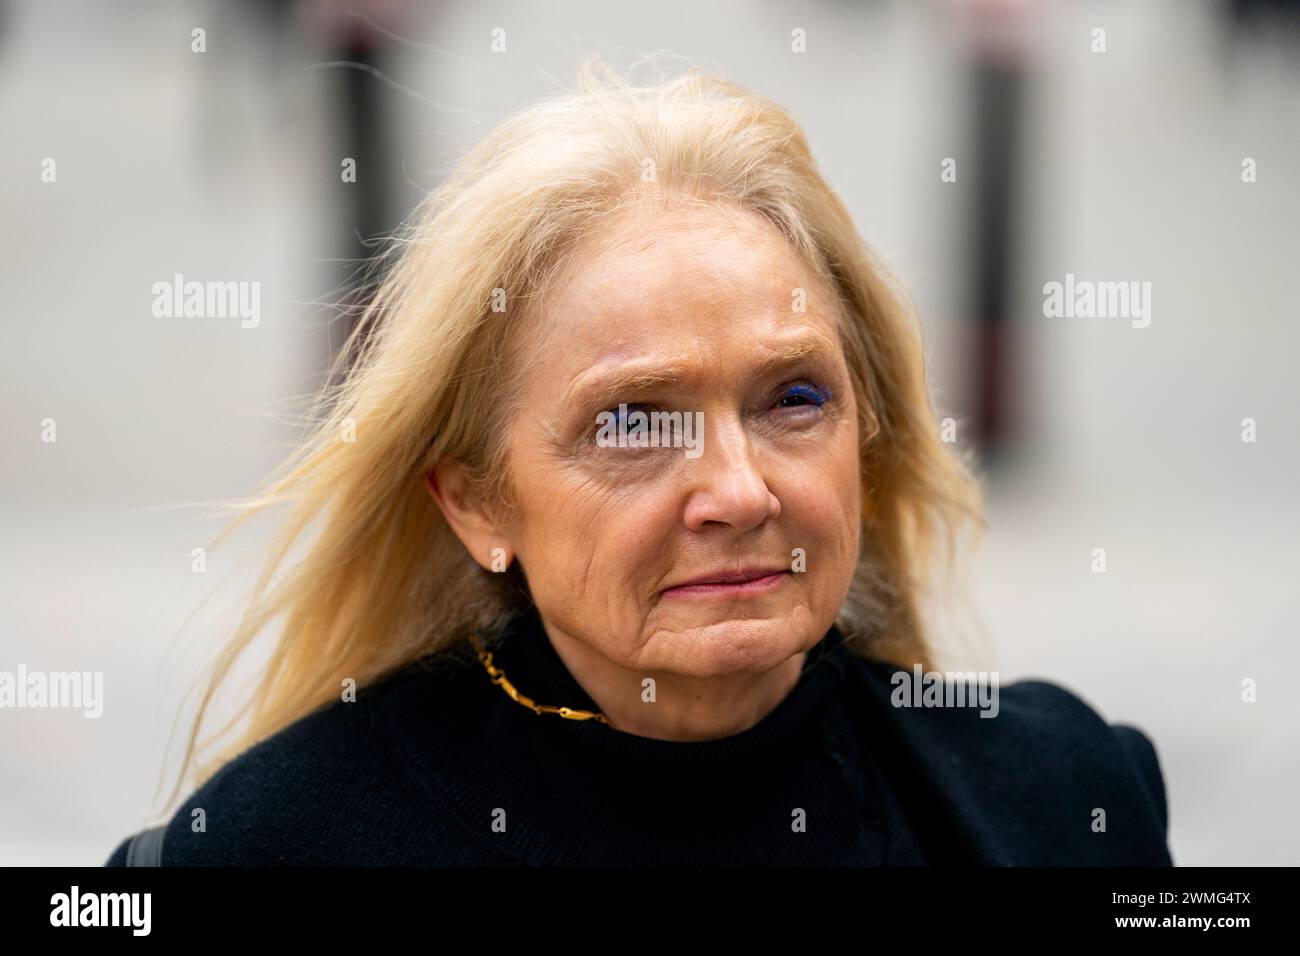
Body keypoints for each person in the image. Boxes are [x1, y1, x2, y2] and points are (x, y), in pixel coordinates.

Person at [105, 56, 1172, 867]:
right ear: (476, 500)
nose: (740, 490)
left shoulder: (1061, 800)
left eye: (793, 400)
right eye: (631, 422)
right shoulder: (279, 847)